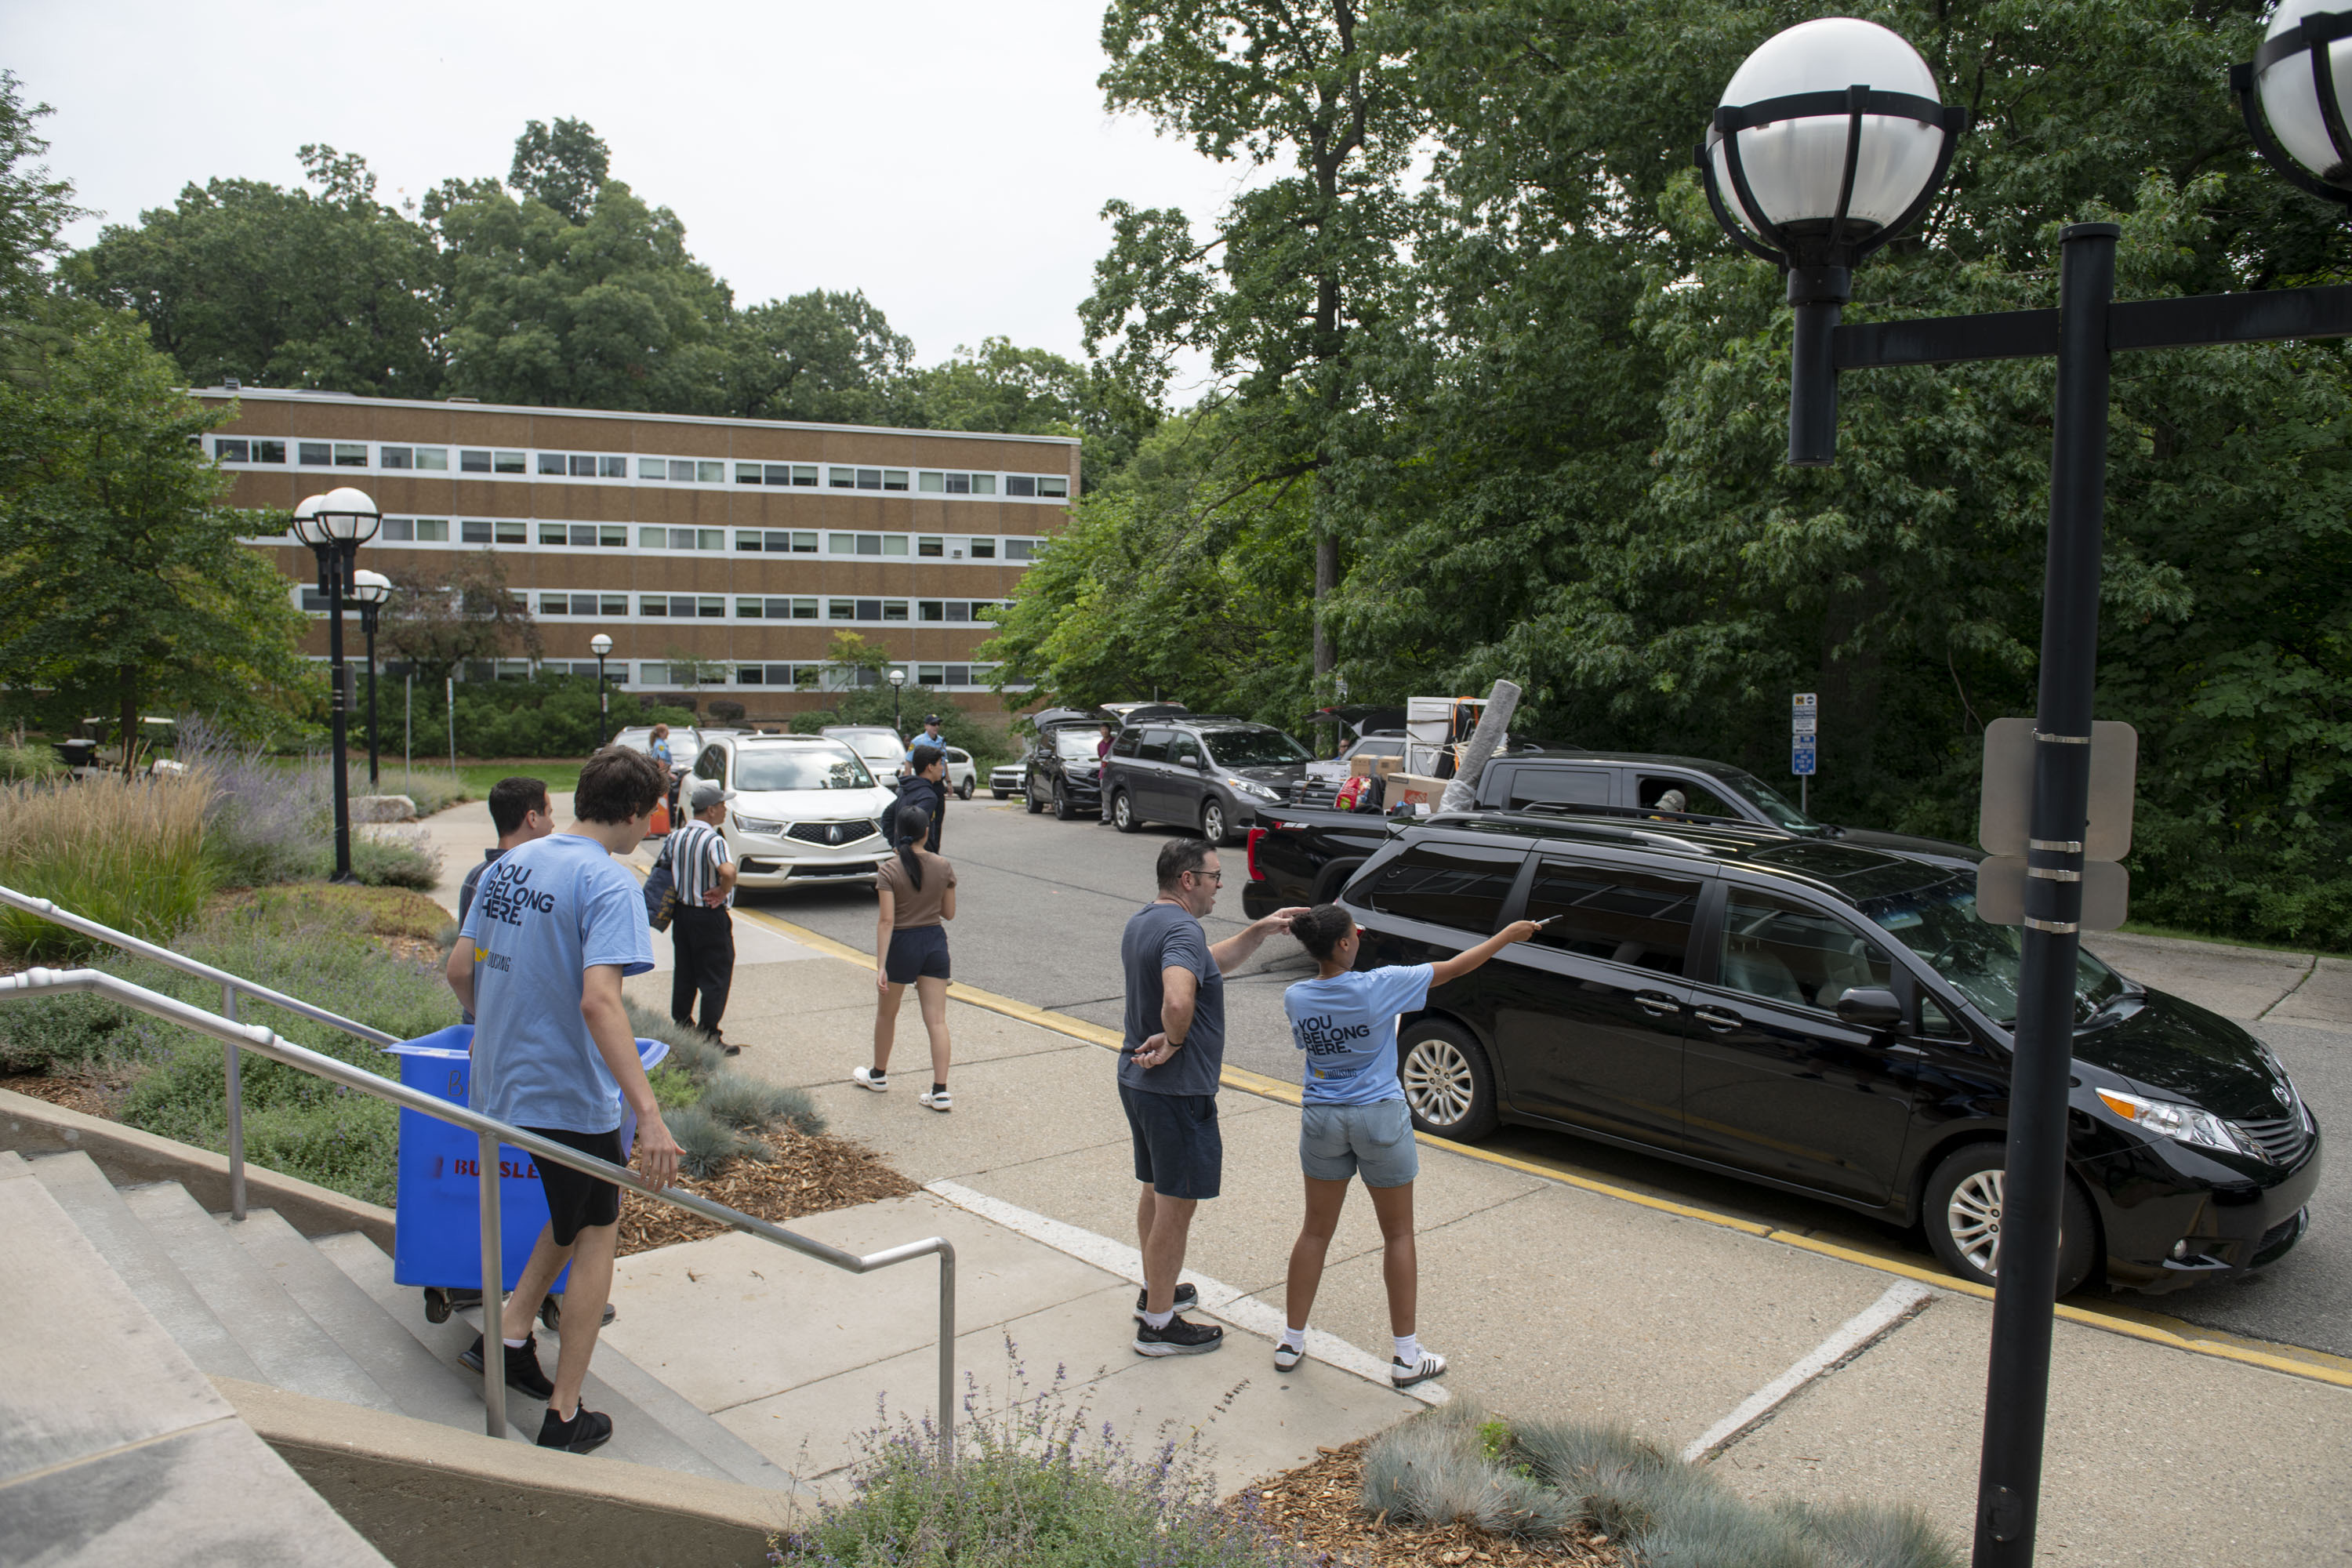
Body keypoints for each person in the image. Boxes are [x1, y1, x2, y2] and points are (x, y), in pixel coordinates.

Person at [444, 745, 682, 1455]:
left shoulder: (508, 864)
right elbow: (600, 1003)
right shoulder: (609, 885)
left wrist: (496, 1030)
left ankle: (508, 1337)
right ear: (638, 815)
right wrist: (649, 1115)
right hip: (566, 1094)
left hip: (499, 1085)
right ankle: (565, 1413)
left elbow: (461, 970)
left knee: (568, 1212)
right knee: (599, 1229)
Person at [1274, 905, 1537, 1388]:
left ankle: (1291, 1340)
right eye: (1354, 932)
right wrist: (1506, 936)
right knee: (1398, 1235)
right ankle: (1405, 1357)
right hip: (1379, 1117)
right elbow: (1457, 967)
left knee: (1315, 1231)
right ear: (1346, 944)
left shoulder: (1297, 997)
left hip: (1322, 1118)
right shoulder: (1381, 985)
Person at [1120, 839, 1307, 1356]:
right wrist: (1175, 1040)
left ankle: (1154, 1293)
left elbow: (1204, 966)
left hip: (1138, 1082)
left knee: (1156, 1190)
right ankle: (1158, 1327)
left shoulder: (1145, 921)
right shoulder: (1182, 928)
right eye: (1214, 876)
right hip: (1176, 1090)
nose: (1218, 885)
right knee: (1177, 1206)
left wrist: (1260, 930)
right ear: (1187, 879)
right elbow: (1180, 997)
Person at [854, 805, 956, 1111]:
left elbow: (886, 921)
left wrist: (881, 965)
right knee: (937, 1021)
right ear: (928, 832)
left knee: (887, 1014)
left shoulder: (889, 870)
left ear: (899, 832)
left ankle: (879, 1075)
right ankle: (940, 1091)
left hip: (901, 944)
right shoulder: (943, 865)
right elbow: (948, 913)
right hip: (934, 943)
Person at [456, 777, 554, 1025]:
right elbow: (460, 969)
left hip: (483, 1022)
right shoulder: (537, 880)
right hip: (521, 1028)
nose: (553, 824)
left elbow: (466, 967)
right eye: (549, 814)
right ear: (532, 818)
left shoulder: (476, 876)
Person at [667, 780, 739, 1054]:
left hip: (682, 913)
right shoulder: (714, 839)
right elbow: (728, 871)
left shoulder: (676, 836)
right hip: (709, 916)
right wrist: (723, 890)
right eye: (722, 805)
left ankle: (683, 1025)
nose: (724, 809)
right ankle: (709, 1034)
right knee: (716, 975)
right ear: (710, 810)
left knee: (685, 971)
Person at [1096, 722, 1117, 824]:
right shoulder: (1100, 745)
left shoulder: (1115, 742)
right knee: (1105, 796)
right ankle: (1106, 817)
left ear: (1109, 730)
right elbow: (1101, 758)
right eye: (1102, 730)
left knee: (1115, 794)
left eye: (1106, 729)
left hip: (1114, 772)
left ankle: (1116, 817)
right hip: (1104, 772)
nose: (1104, 731)